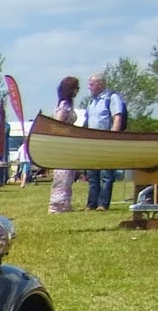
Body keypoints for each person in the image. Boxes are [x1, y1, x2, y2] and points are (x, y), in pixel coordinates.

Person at [82, 73, 128, 211]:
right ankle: (91, 204)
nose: (89, 87)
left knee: (106, 175)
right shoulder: (92, 101)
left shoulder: (111, 98)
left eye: (91, 84)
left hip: (106, 142)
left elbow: (117, 118)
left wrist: (112, 138)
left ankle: (103, 204)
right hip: (92, 142)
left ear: (100, 84)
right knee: (92, 175)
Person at [48, 75, 79, 213]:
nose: (77, 91)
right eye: (76, 88)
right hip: (63, 143)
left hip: (68, 143)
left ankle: (65, 202)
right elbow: (59, 124)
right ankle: (57, 204)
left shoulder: (66, 104)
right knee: (63, 174)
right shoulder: (64, 106)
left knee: (68, 174)